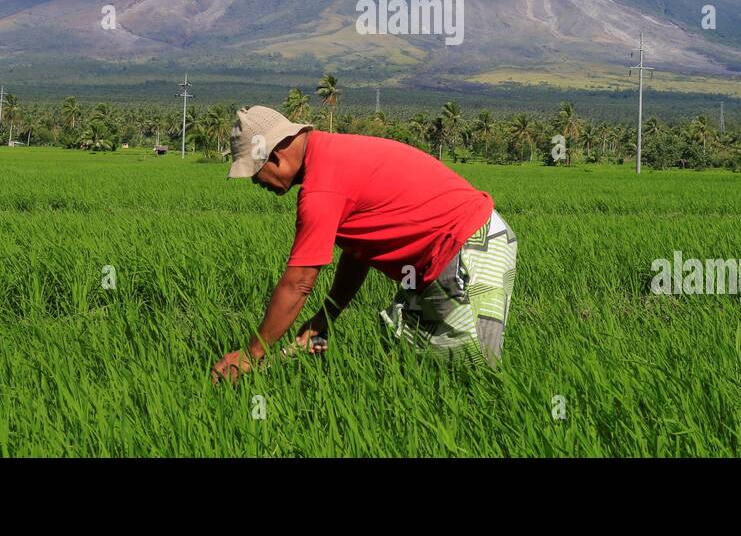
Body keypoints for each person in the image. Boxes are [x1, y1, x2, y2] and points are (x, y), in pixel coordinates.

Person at [211, 105, 518, 383]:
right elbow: (359, 252)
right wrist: (325, 316)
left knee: (470, 375)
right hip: (442, 258)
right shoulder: (332, 155)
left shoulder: (321, 191)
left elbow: (298, 285)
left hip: (469, 248)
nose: (257, 183)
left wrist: (252, 353)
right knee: (409, 365)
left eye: (254, 173)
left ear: (275, 156)